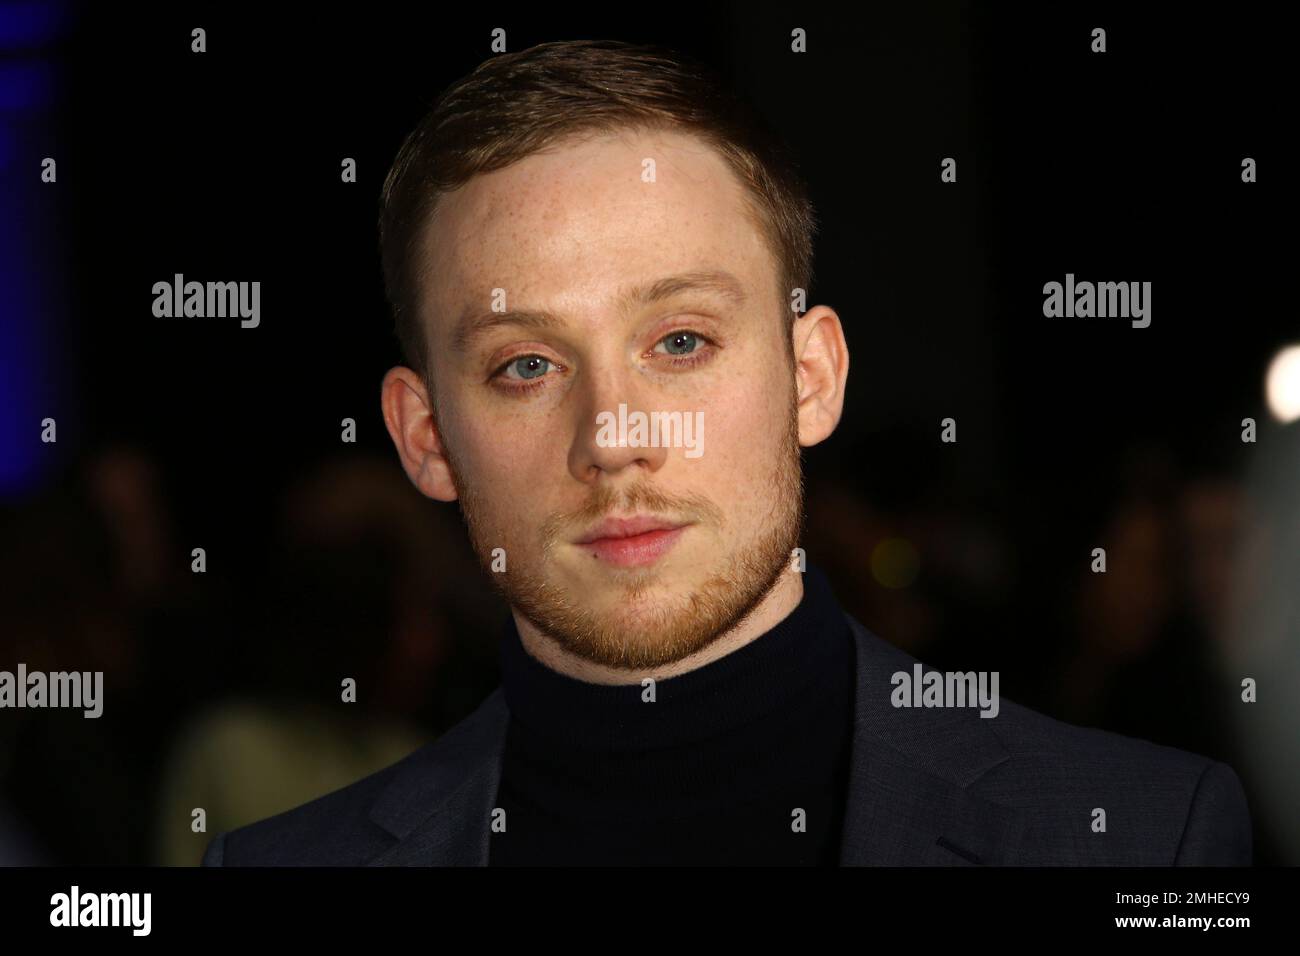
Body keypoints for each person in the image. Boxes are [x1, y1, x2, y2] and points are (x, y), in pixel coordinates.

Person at [201, 39, 1250, 866]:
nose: (614, 438)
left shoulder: (1143, 833)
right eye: (526, 365)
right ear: (425, 438)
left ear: (811, 379)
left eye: (680, 342)